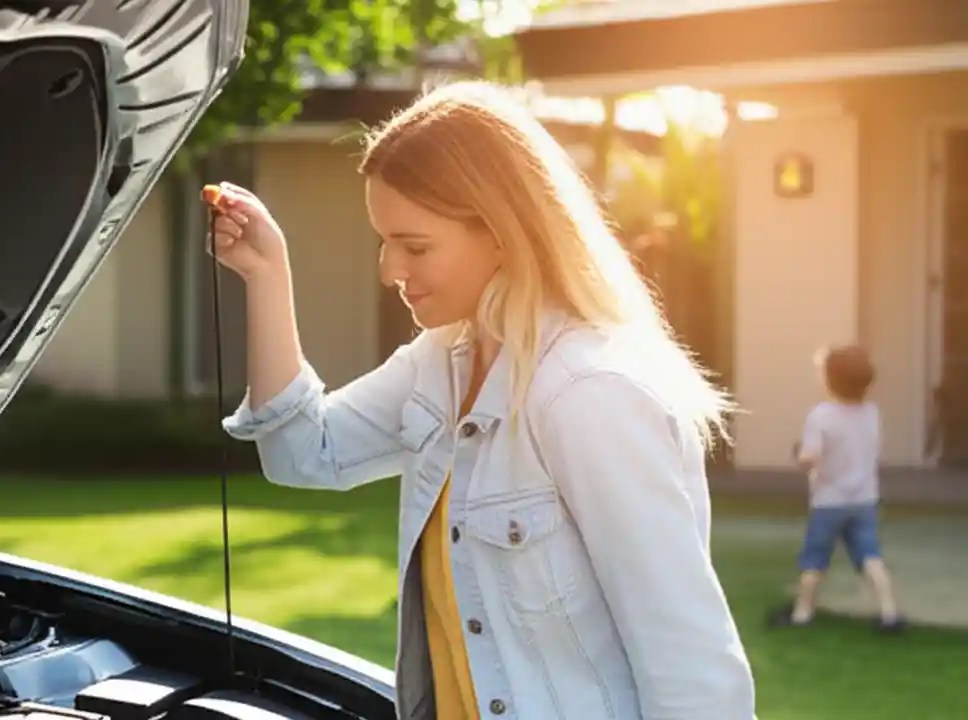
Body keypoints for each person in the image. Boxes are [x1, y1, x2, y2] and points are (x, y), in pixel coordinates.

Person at [206, 81, 755, 719]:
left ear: (502, 232)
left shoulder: (590, 394)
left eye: (415, 246)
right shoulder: (439, 363)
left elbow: (690, 666)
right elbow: (302, 452)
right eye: (385, 242)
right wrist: (265, 273)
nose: (389, 271)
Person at [774, 345, 905, 632]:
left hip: (828, 501)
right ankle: (890, 614)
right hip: (864, 500)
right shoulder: (871, 413)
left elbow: (810, 458)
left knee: (814, 559)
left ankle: (802, 613)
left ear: (830, 379)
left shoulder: (821, 415)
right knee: (870, 556)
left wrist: (798, 454)